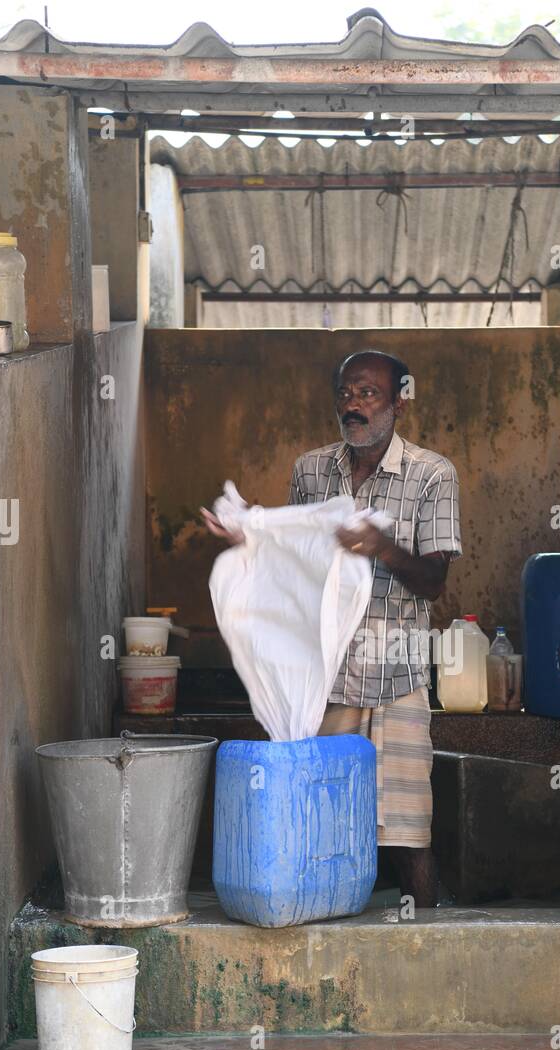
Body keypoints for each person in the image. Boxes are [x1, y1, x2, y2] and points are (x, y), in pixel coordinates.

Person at [202, 349, 461, 908]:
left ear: (399, 400)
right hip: (327, 682)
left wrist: (384, 548)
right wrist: (252, 535)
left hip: (398, 679)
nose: (354, 404)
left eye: (368, 394)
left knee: (407, 834)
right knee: (320, 824)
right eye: (345, 393)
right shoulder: (311, 470)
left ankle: (429, 940)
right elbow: (297, 565)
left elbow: (436, 580)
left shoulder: (431, 475)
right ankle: (322, 937)